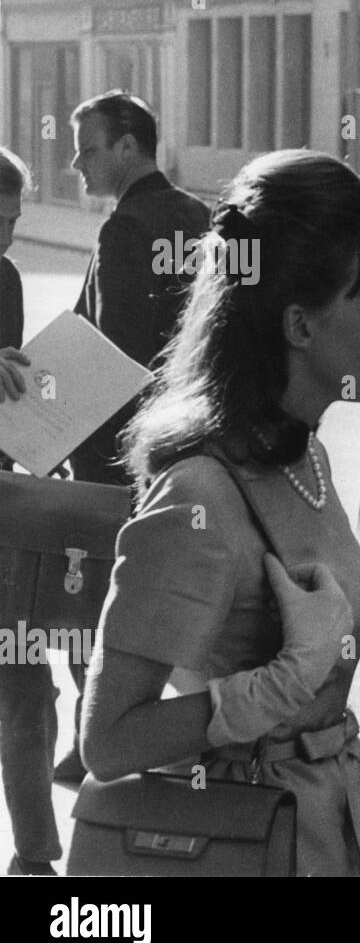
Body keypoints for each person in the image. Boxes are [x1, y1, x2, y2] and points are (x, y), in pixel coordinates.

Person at [80, 150, 360, 876]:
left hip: (332, 821)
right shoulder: (201, 493)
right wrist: (277, 685)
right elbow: (108, 742)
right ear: (300, 325)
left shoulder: (304, 454)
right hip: (250, 839)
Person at [55, 90, 209, 783]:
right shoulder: (199, 218)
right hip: (187, 445)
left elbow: (110, 357)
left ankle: (98, 746)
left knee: (98, 603)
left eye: (87, 149)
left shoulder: (124, 229)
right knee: (170, 602)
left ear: (127, 147)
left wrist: (58, 435)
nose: (76, 164)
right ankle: (169, 745)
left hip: (116, 457)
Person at [0, 147, 61, 876]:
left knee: (27, 687)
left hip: (4, 515)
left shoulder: (5, 278)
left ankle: (36, 858)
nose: (9, 237)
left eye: (15, 221)